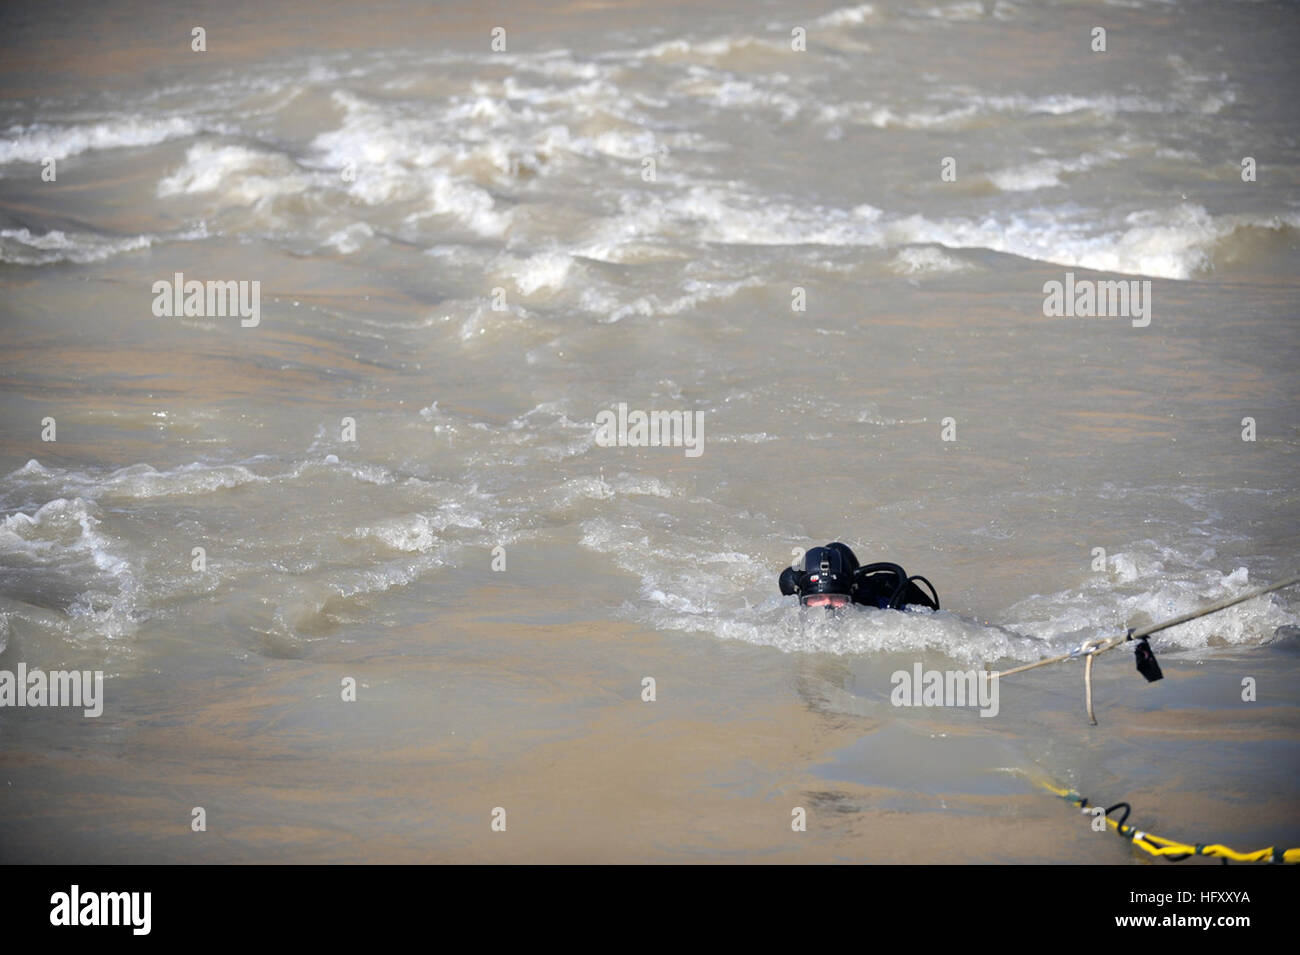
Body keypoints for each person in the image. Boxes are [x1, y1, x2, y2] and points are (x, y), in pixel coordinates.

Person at [779, 542, 939, 610]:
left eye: (837, 598)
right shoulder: (790, 610)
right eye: (816, 599)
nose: (827, 606)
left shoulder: (877, 602)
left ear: (851, 594)